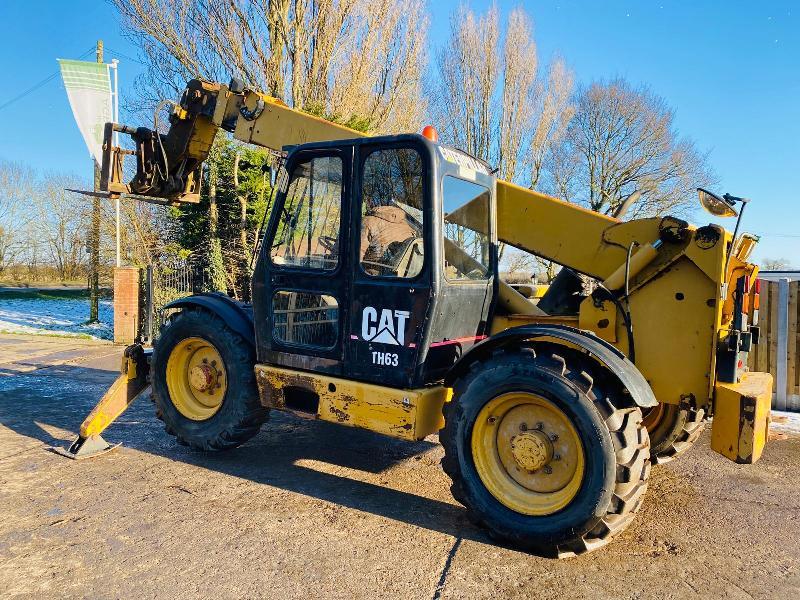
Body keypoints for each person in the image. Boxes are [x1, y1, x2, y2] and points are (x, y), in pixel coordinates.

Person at [360, 199, 418, 275]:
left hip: (374, 278)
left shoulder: (367, 221)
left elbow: (355, 257)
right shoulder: (407, 225)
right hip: (405, 278)